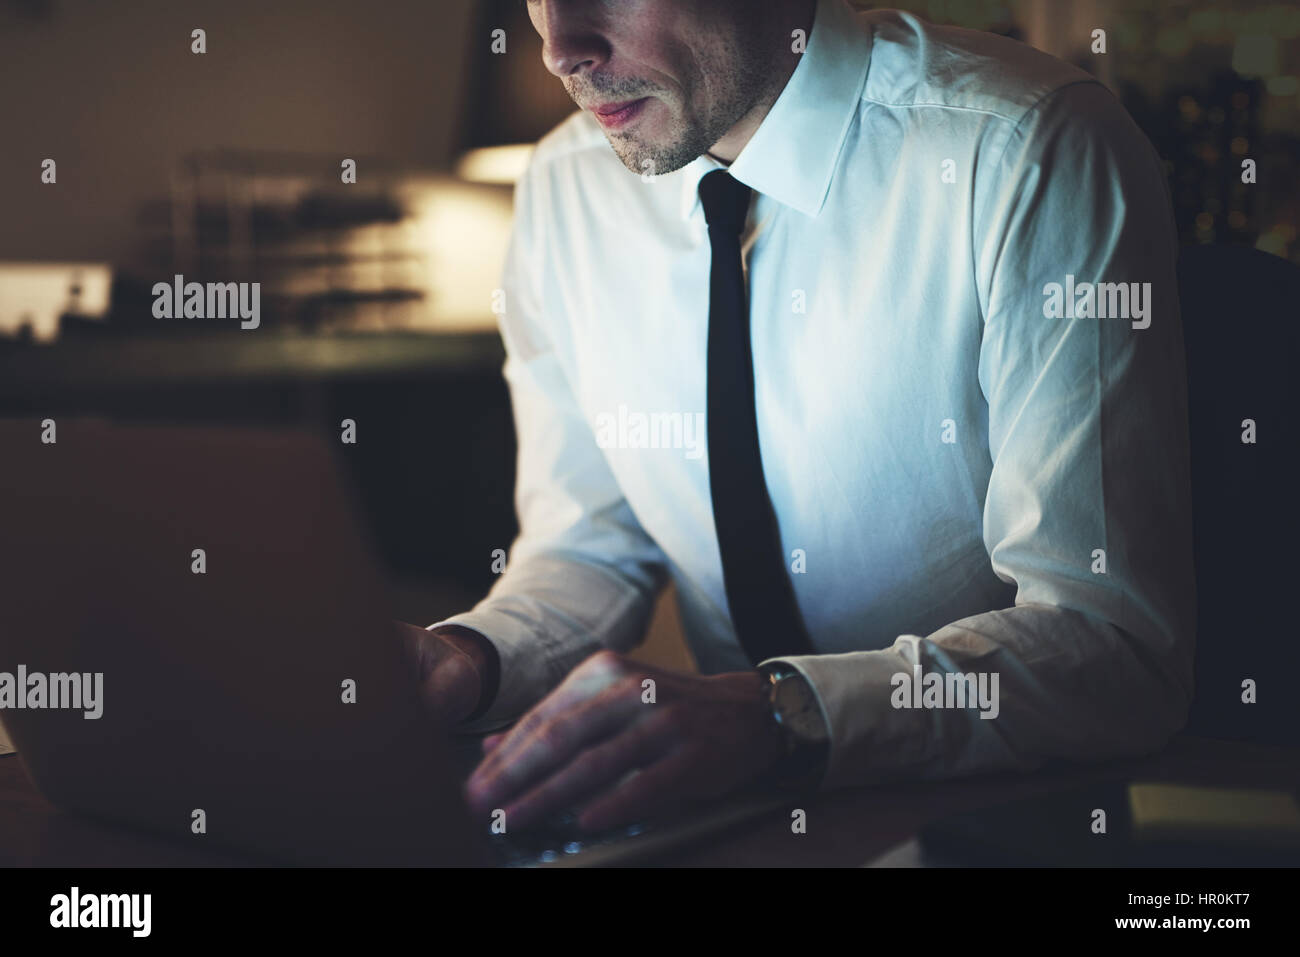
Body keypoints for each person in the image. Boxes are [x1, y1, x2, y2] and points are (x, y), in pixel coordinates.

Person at [398, 0, 1195, 833]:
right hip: (730, 826)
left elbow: (1114, 648)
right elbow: (586, 550)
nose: (561, 50)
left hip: (1014, 819)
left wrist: (782, 714)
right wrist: (472, 659)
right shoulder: (564, 190)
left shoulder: (1026, 145)